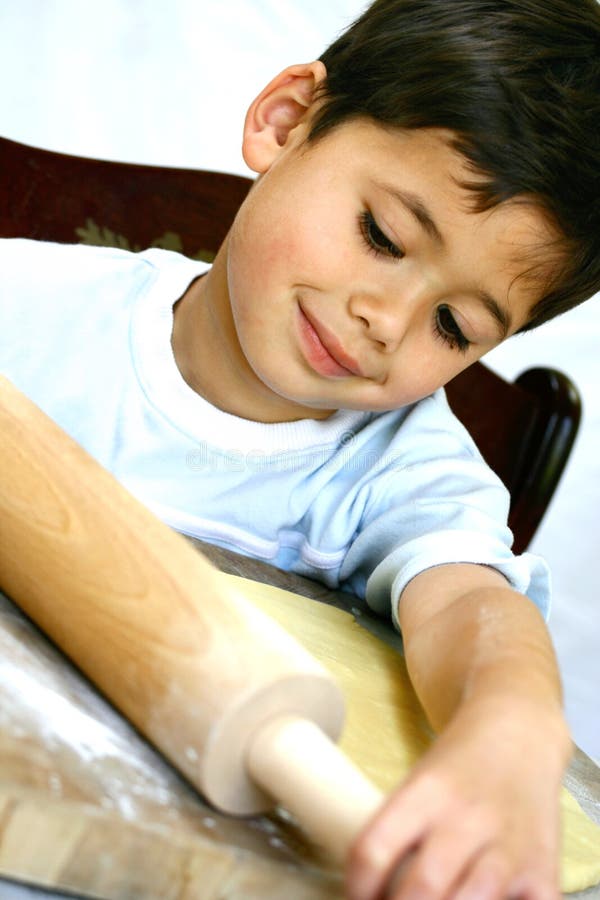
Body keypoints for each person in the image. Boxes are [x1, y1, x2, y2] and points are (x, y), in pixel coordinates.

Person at [1, 0, 599, 897]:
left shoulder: (397, 468)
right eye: (383, 236)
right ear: (285, 123)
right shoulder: (24, 308)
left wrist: (511, 728)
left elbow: (469, 604)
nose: (387, 322)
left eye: (454, 323)